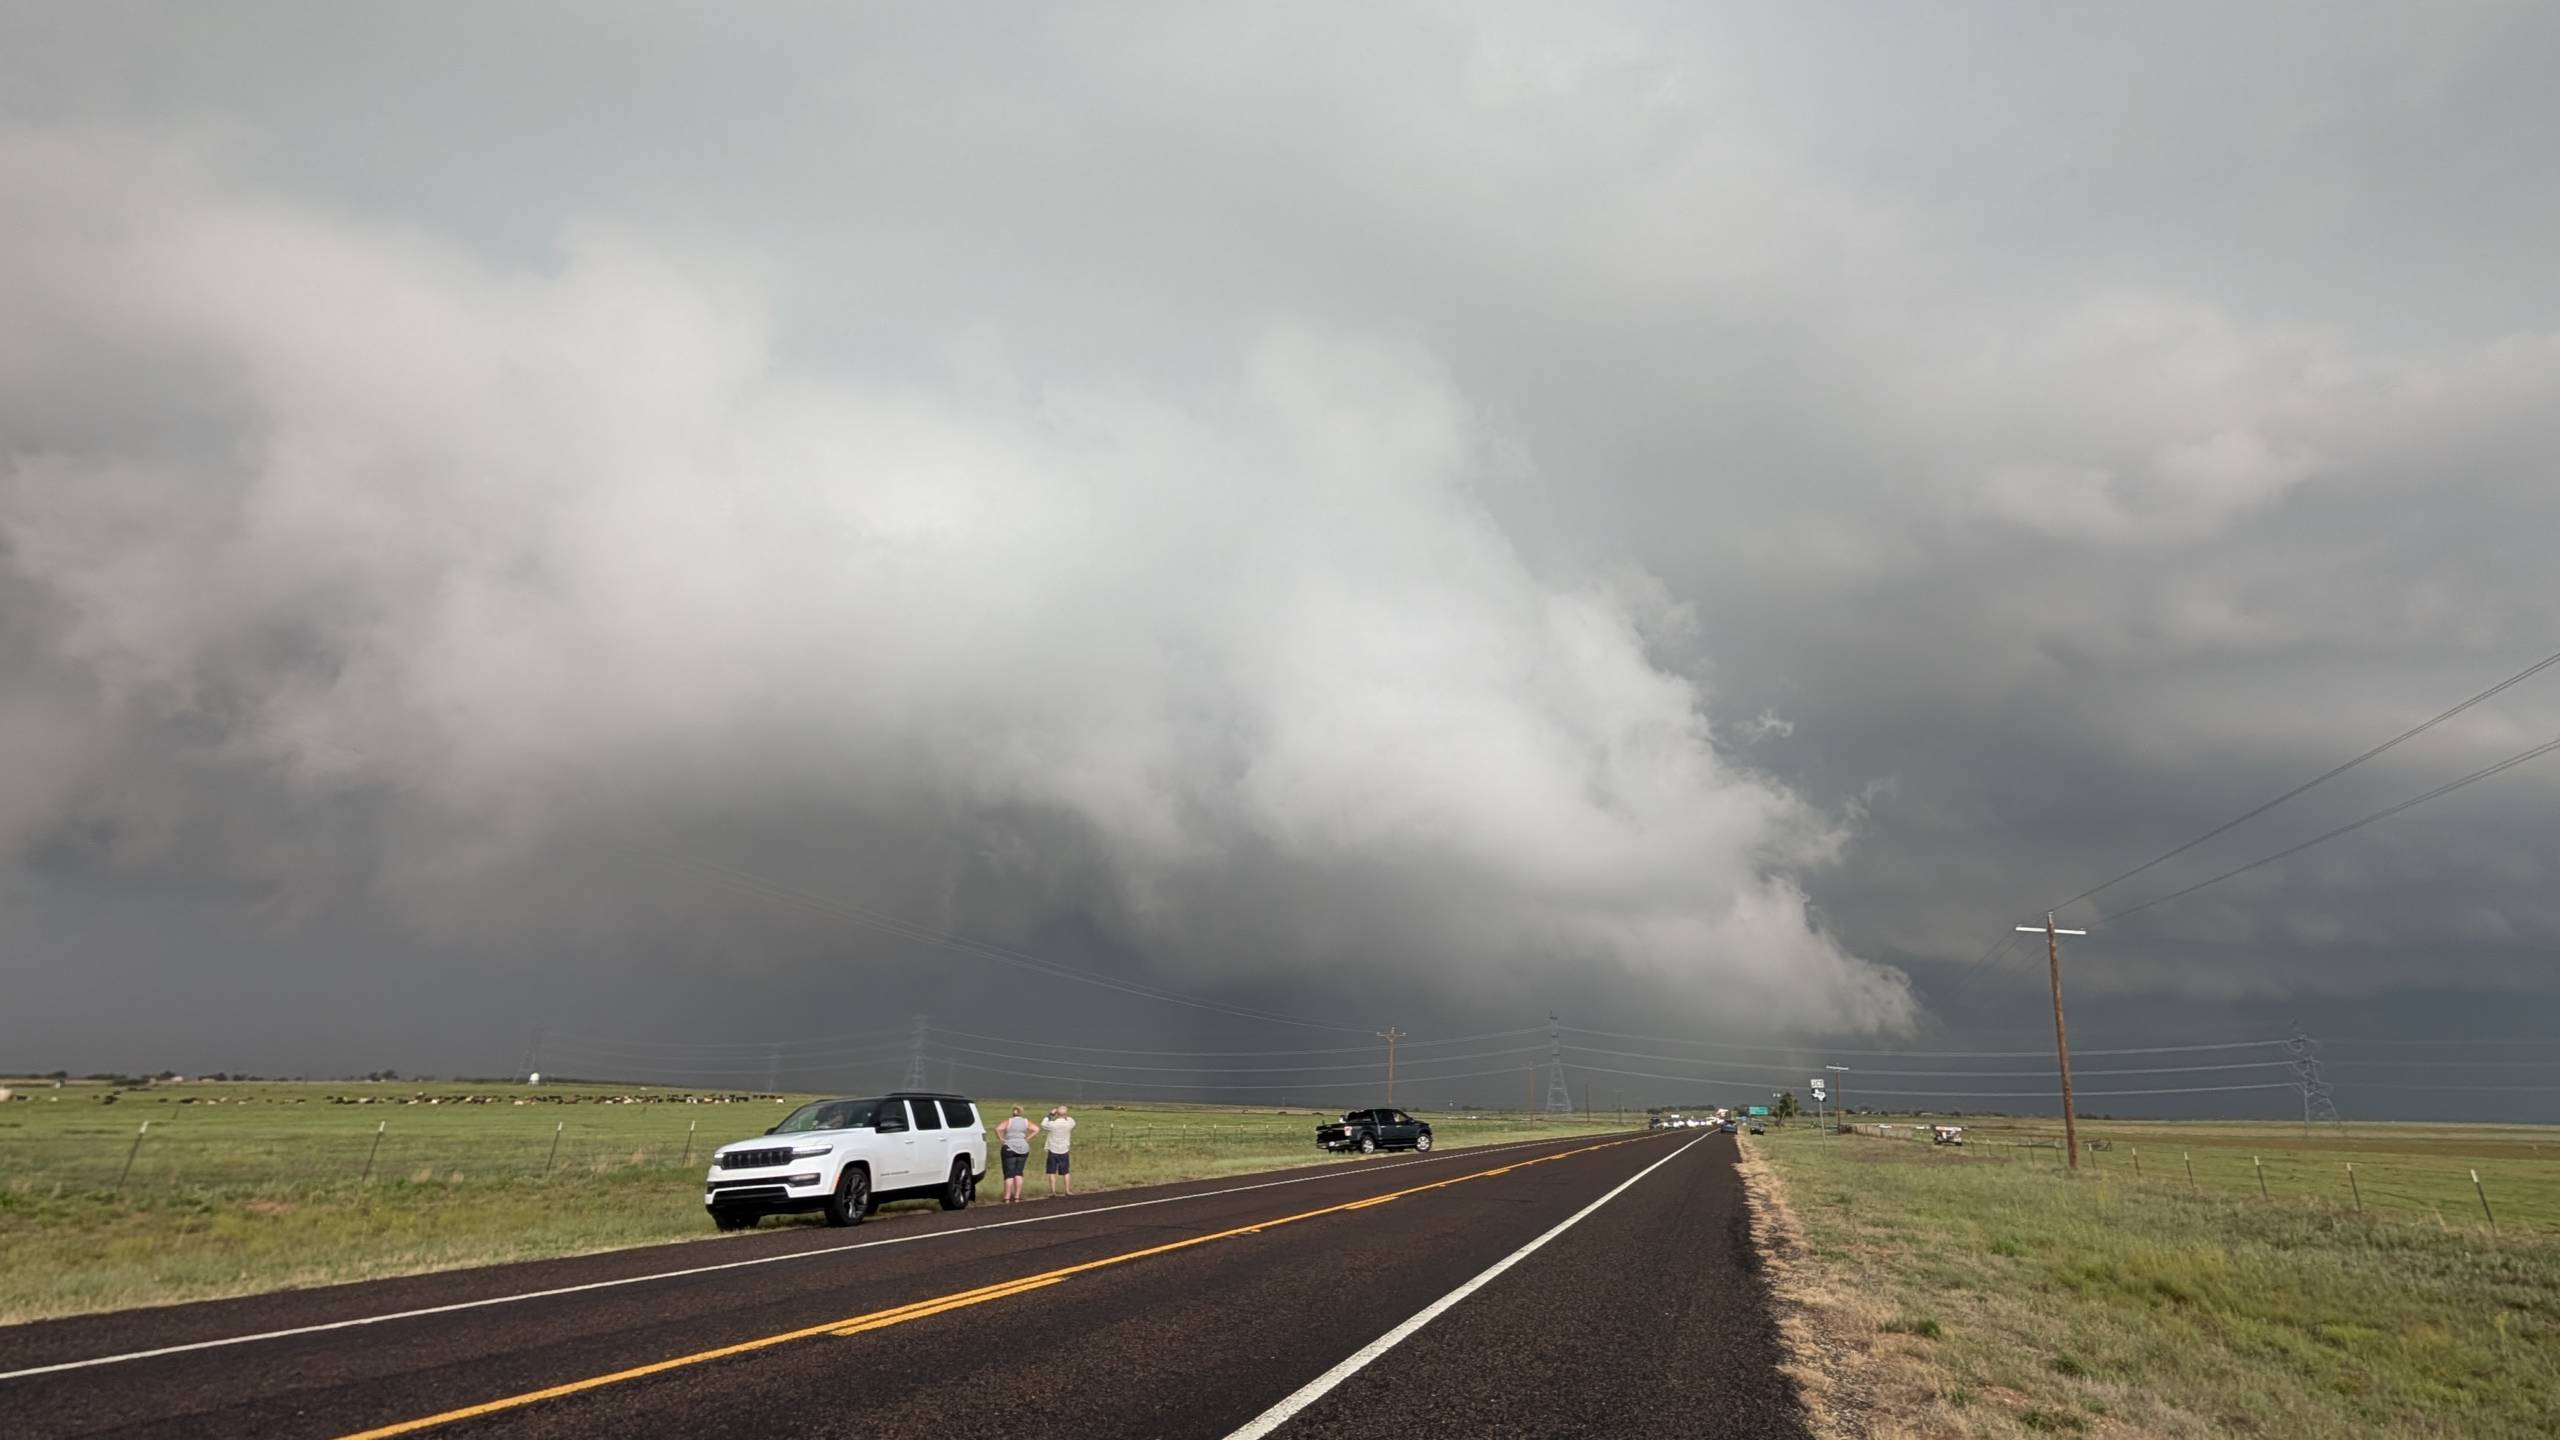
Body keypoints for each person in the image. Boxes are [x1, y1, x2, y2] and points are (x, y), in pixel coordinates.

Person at [994, 1105, 1035, 1203]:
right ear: (1021, 1112)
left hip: (1009, 1147)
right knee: (1019, 1172)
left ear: (1013, 1112)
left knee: (1009, 1174)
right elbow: (1036, 1129)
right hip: (1023, 1148)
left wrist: (1001, 1139)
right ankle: (1017, 1196)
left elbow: (997, 1129)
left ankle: (1007, 1197)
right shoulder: (1025, 1122)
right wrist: (1027, 1138)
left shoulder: (1009, 1121)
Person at [1039, 1104, 1076, 1197]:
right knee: (1066, 1171)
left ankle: (1053, 1191)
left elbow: (1043, 1123)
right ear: (1066, 1114)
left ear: (1057, 1113)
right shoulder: (1069, 1123)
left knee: (1052, 1171)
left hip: (1053, 1149)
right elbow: (1071, 1120)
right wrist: (1064, 1114)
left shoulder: (1052, 1124)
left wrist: (1051, 1114)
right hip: (1064, 1149)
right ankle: (1067, 1190)